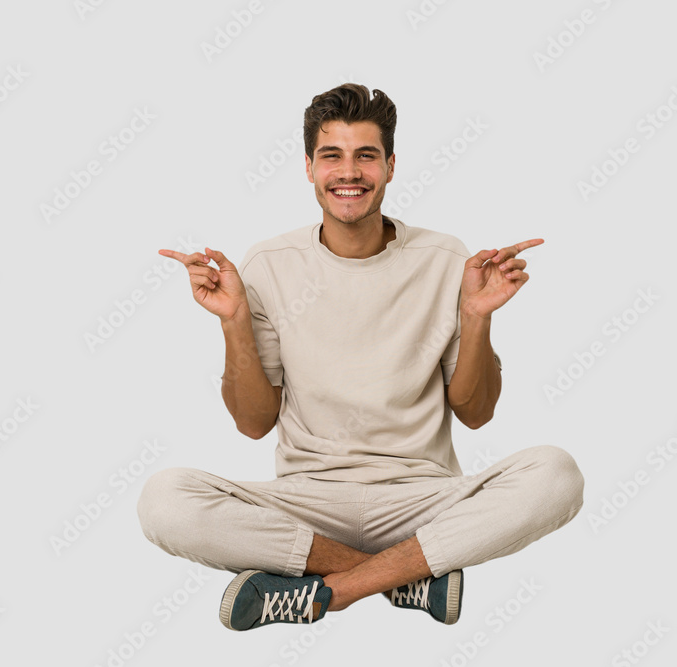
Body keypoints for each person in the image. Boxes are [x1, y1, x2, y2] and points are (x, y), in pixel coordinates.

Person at [137, 83, 584, 631]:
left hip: (421, 496)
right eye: (332, 156)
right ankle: (408, 578)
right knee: (165, 501)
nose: (349, 173)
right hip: (309, 502)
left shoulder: (445, 258)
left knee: (557, 475)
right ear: (308, 167)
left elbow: (476, 413)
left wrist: (476, 315)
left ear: (391, 166)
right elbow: (253, 423)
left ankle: (338, 589)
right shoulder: (269, 264)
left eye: (366, 156)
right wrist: (233, 322)